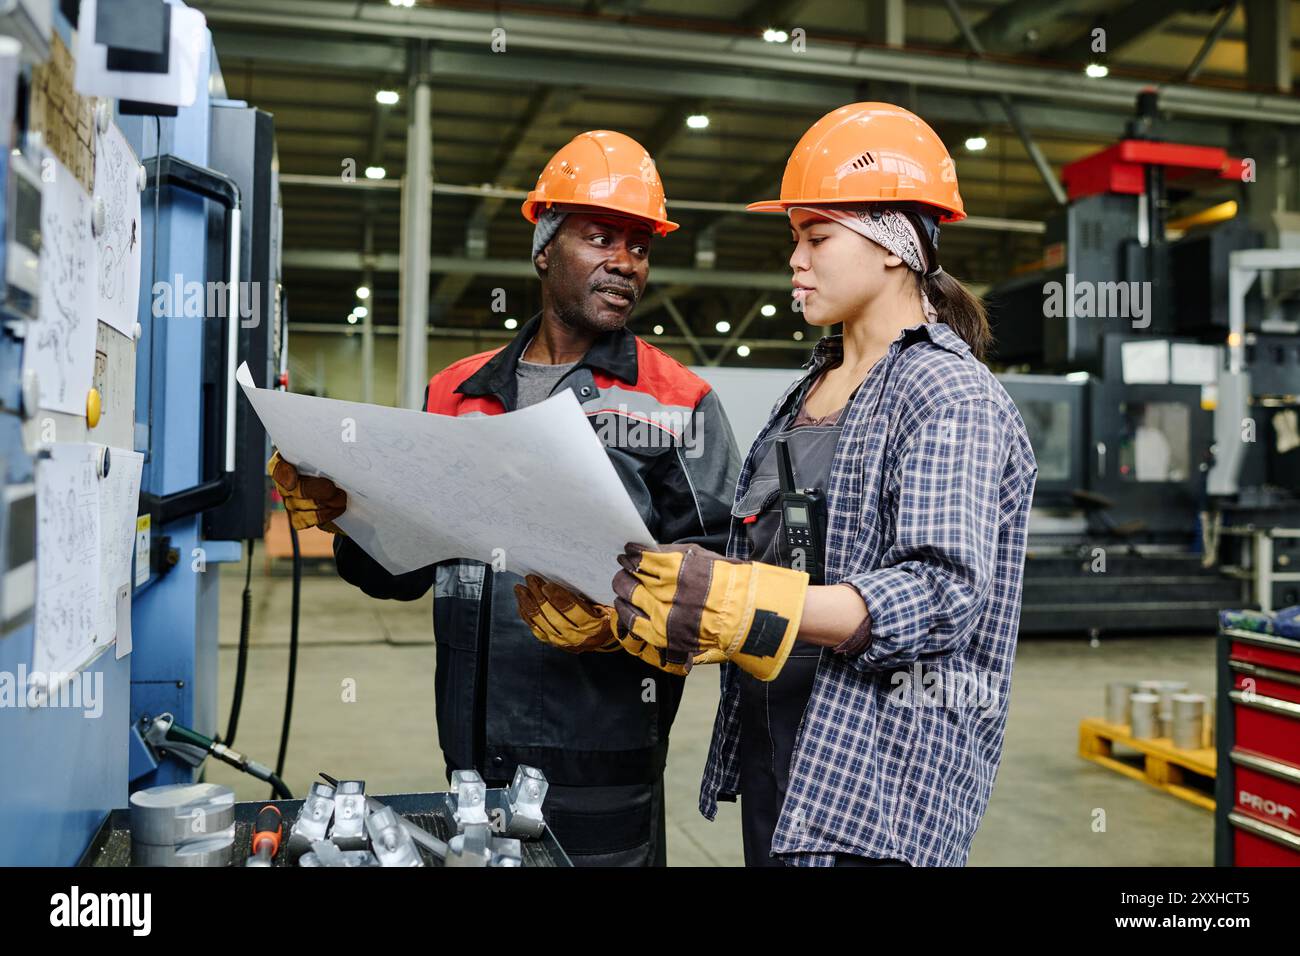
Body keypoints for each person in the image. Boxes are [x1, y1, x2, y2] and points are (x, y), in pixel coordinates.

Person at [541, 102, 1038, 866]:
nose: (795, 261)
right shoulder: (804, 394)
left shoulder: (947, 394)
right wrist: (640, 612)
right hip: (786, 759)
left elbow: (942, 595)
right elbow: (767, 573)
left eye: (816, 237)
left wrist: (751, 601)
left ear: (893, 246)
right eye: (794, 240)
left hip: (880, 785)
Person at [268, 130, 740, 866]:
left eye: (641, 246)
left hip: (603, 769)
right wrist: (347, 513)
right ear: (544, 248)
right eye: (601, 236)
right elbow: (398, 573)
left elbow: (723, 589)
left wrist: (621, 622)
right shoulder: (456, 392)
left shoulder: (678, 403)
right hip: (467, 760)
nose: (626, 261)